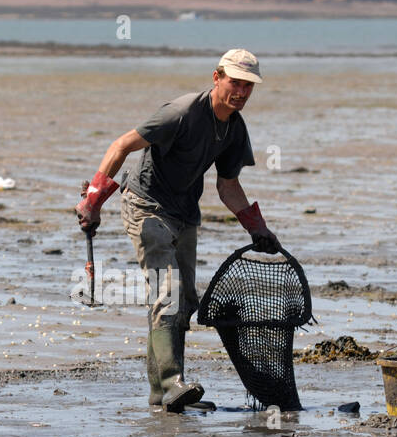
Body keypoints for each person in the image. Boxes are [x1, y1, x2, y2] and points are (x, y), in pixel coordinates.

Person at [75, 48, 280, 412]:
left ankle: (163, 394)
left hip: (185, 212)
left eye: (249, 86)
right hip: (145, 205)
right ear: (217, 77)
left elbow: (227, 185)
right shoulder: (182, 112)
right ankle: (173, 384)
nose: (242, 92)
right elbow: (122, 145)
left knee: (183, 301)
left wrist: (256, 227)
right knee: (166, 291)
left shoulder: (234, 128)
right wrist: (93, 200)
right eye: (235, 82)